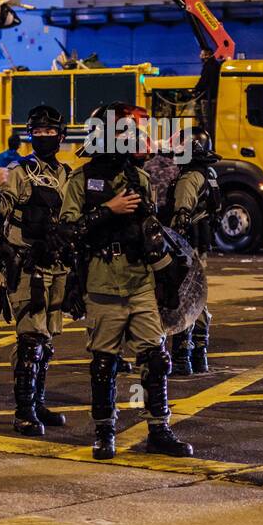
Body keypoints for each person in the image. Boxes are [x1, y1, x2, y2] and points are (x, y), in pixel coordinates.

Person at [59, 101, 194, 460]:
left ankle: (159, 429)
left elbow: (151, 230)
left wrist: (167, 276)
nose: (128, 139)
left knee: (156, 358)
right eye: (120, 133)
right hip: (103, 284)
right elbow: (67, 232)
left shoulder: (141, 178)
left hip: (140, 282)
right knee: (104, 363)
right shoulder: (81, 180)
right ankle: (104, 432)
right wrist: (108, 210)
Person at [0, 105, 71, 436]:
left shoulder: (67, 174)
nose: (43, 137)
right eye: (37, 132)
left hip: (58, 265)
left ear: (60, 136)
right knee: (31, 338)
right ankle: (23, 410)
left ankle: (37, 402)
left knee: (48, 337)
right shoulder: (19, 172)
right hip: (28, 265)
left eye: (49, 132)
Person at [163, 126, 220, 375]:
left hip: (187, 245)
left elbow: (181, 216)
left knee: (184, 300)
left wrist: (171, 241)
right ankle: (199, 354)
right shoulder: (209, 173)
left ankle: (182, 358)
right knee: (197, 298)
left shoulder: (188, 178)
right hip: (202, 243)